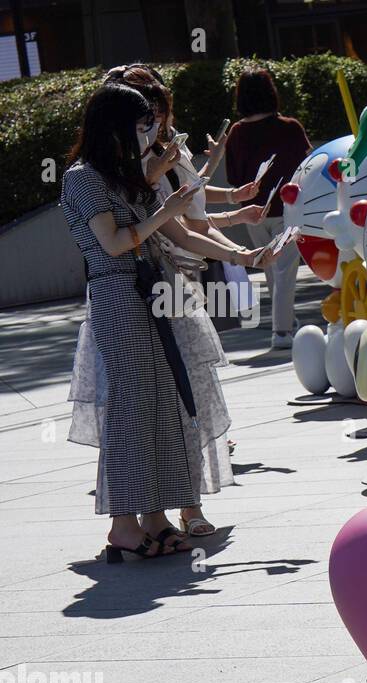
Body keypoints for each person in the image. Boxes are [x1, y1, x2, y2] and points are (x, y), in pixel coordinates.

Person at [61, 84, 269, 561]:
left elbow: (180, 231)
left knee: (165, 404)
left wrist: (246, 254)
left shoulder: (126, 175)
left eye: (150, 126)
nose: (148, 136)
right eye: (140, 127)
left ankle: (153, 518)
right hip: (118, 296)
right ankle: (123, 527)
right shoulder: (82, 178)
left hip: (154, 291)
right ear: (112, 127)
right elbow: (115, 244)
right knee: (133, 409)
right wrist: (165, 209)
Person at [223, 67, 313, 349]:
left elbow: (234, 179)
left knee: (272, 270)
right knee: (285, 270)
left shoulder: (236, 133)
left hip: (253, 214)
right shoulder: (290, 128)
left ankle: (285, 321)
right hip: (288, 210)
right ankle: (282, 330)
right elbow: (307, 167)